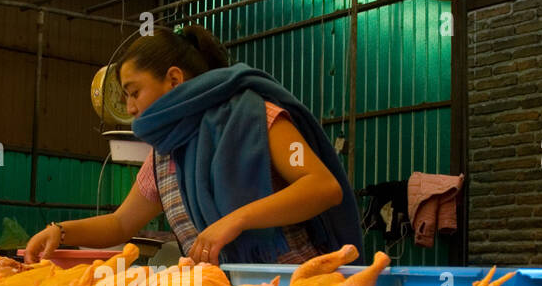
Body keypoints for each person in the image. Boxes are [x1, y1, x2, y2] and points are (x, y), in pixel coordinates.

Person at [25, 25, 364, 266]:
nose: (130, 109)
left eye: (134, 92)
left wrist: (236, 219)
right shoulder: (164, 154)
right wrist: (59, 231)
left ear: (174, 79)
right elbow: (121, 224)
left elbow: (323, 186)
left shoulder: (258, 118)